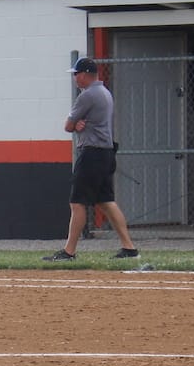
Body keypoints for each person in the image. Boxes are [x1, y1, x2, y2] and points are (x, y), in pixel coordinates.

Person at [42, 58, 140, 261]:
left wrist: (76, 124)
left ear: (86, 74)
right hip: (106, 153)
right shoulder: (105, 93)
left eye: (77, 74)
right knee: (106, 201)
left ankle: (69, 251)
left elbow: (68, 126)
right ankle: (129, 248)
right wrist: (78, 124)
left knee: (77, 203)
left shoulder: (88, 96)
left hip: (91, 154)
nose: (75, 78)